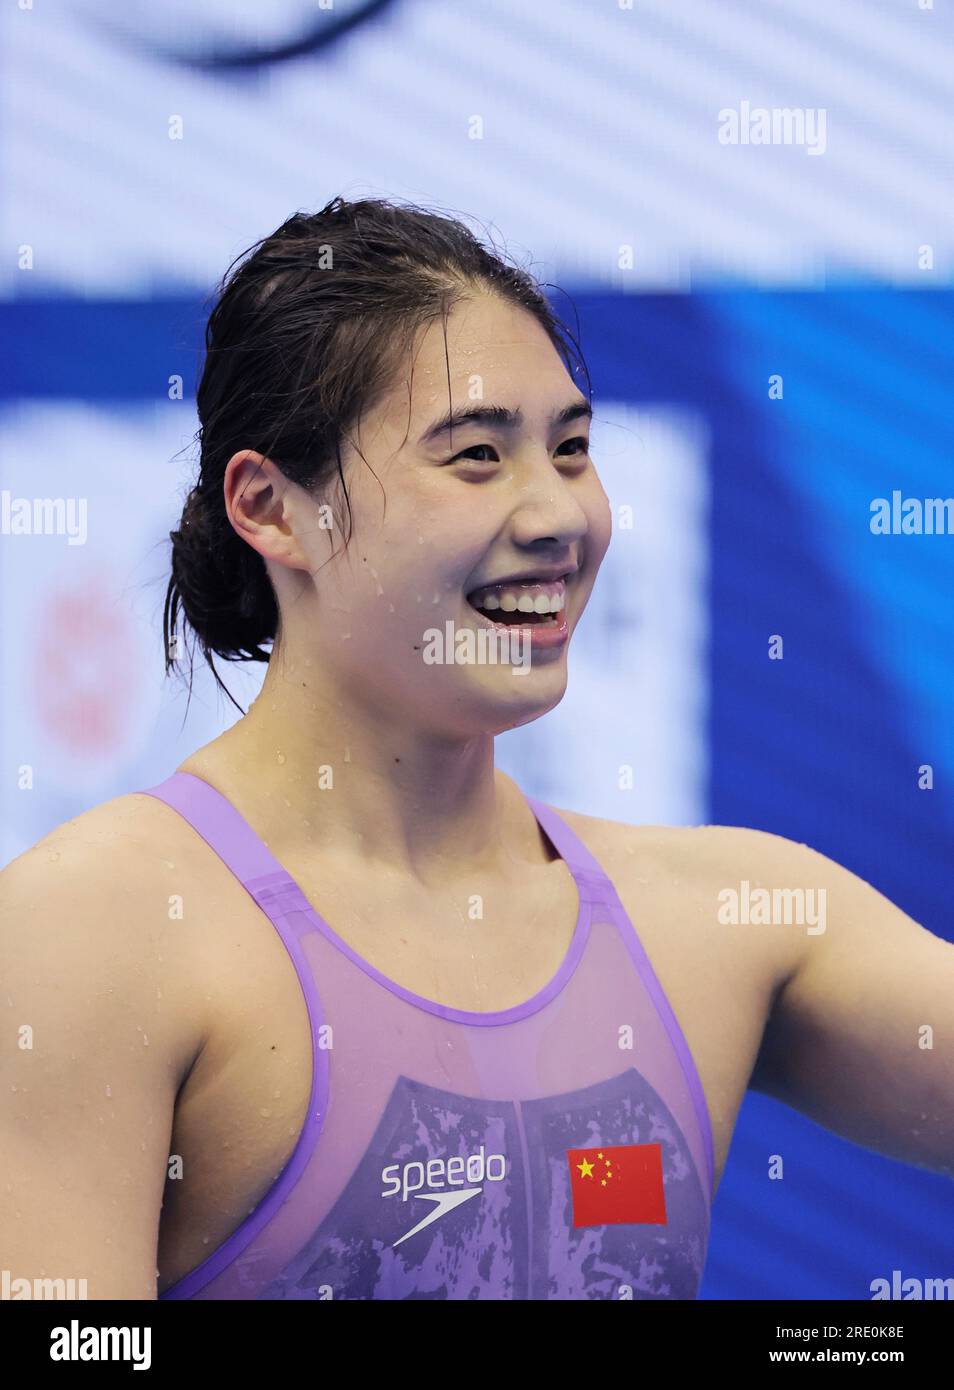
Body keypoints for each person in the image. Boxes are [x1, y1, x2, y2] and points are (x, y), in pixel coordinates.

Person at [1, 197, 951, 1302]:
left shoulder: (732, 926)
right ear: (273, 508)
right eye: (477, 455)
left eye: (572, 448)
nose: (558, 515)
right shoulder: (92, 931)